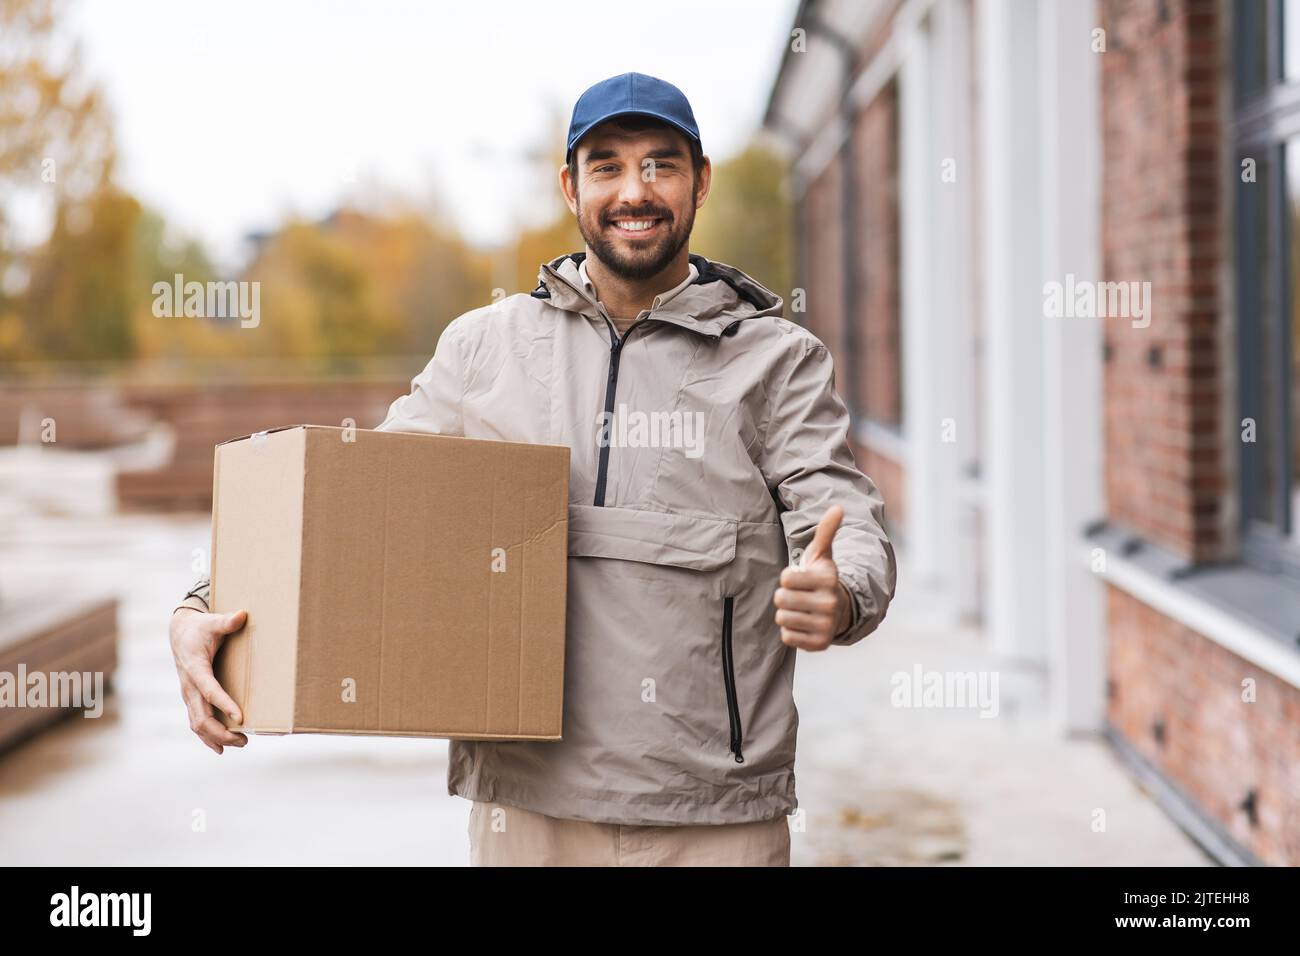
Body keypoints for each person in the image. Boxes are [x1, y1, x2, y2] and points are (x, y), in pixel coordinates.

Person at [168, 72, 897, 866]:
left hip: (714, 817)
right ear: (570, 186)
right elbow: (349, 504)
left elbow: (845, 518)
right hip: (527, 812)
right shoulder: (485, 348)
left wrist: (844, 591)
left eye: (661, 164)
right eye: (608, 166)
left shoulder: (777, 361)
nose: (635, 191)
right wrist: (200, 606)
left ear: (701, 181)